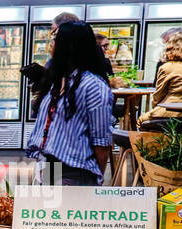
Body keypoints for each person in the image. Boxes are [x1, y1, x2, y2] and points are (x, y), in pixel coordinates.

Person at [25, 21, 115, 186]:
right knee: (48, 210)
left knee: (62, 211)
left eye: (56, 40)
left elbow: (101, 143)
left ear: (68, 46)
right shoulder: (59, 80)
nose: (51, 45)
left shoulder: (93, 86)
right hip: (49, 167)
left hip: (75, 174)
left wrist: (96, 185)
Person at [140, 31, 182, 123]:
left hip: (170, 112)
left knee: (141, 120)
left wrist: (155, 108)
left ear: (170, 48)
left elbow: (157, 96)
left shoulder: (166, 67)